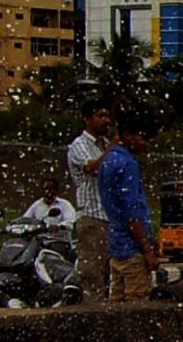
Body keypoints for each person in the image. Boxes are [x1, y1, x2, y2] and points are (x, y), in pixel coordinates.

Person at [101, 109, 157, 303]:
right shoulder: (127, 164)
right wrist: (147, 249)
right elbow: (132, 211)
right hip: (132, 248)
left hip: (117, 246)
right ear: (127, 135)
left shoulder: (108, 160)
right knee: (136, 307)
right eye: (143, 138)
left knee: (117, 304)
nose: (146, 144)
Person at [66, 99, 114, 301]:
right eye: (100, 116)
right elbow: (93, 168)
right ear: (87, 119)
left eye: (108, 116)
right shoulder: (79, 145)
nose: (106, 120)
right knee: (93, 275)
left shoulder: (106, 145)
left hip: (111, 217)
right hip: (92, 217)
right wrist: (115, 149)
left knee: (112, 274)